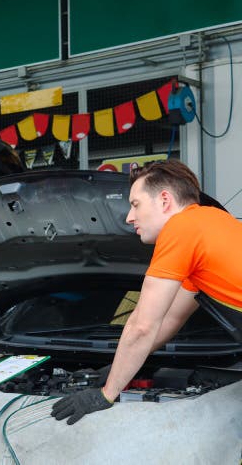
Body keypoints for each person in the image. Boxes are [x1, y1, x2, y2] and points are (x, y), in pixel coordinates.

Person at [52, 159, 242, 425]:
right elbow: (170, 319)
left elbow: (143, 325)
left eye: (135, 204)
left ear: (164, 200)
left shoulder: (181, 229)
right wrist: (119, 369)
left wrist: (106, 394)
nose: (129, 217)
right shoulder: (213, 222)